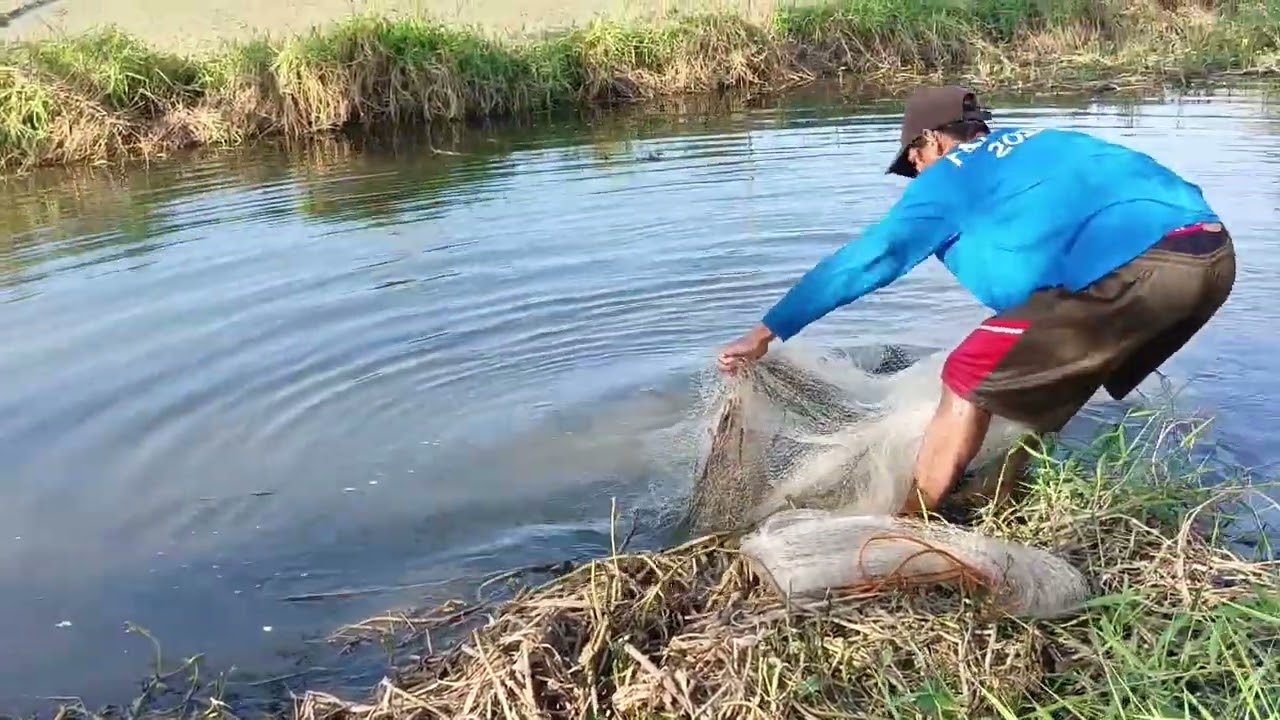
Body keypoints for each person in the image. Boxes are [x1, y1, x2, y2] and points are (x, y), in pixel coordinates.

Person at [716, 85, 1237, 516]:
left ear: (934, 141)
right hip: (1211, 254)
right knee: (1045, 370)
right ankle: (1004, 494)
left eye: (913, 161)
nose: (916, 176)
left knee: (967, 372)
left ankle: (908, 527)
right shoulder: (1041, 143)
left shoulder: (950, 178)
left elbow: (869, 258)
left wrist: (766, 331)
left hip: (1146, 266)